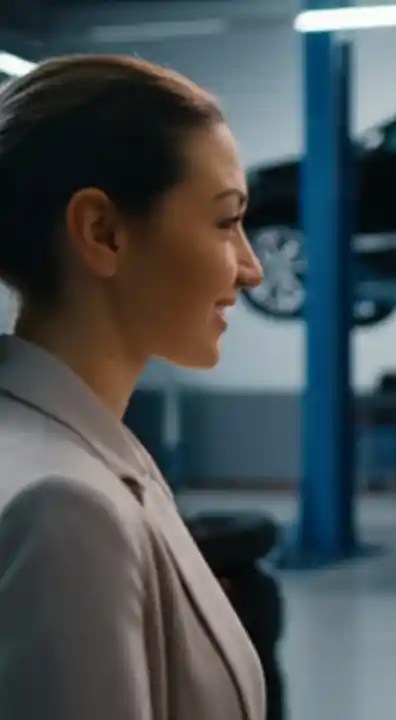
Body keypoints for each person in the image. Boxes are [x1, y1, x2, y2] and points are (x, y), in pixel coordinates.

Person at [0, 55, 266, 719]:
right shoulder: (65, 509)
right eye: (226, 222)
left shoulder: (67, 451)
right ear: (103, 232)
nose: (252, 269)